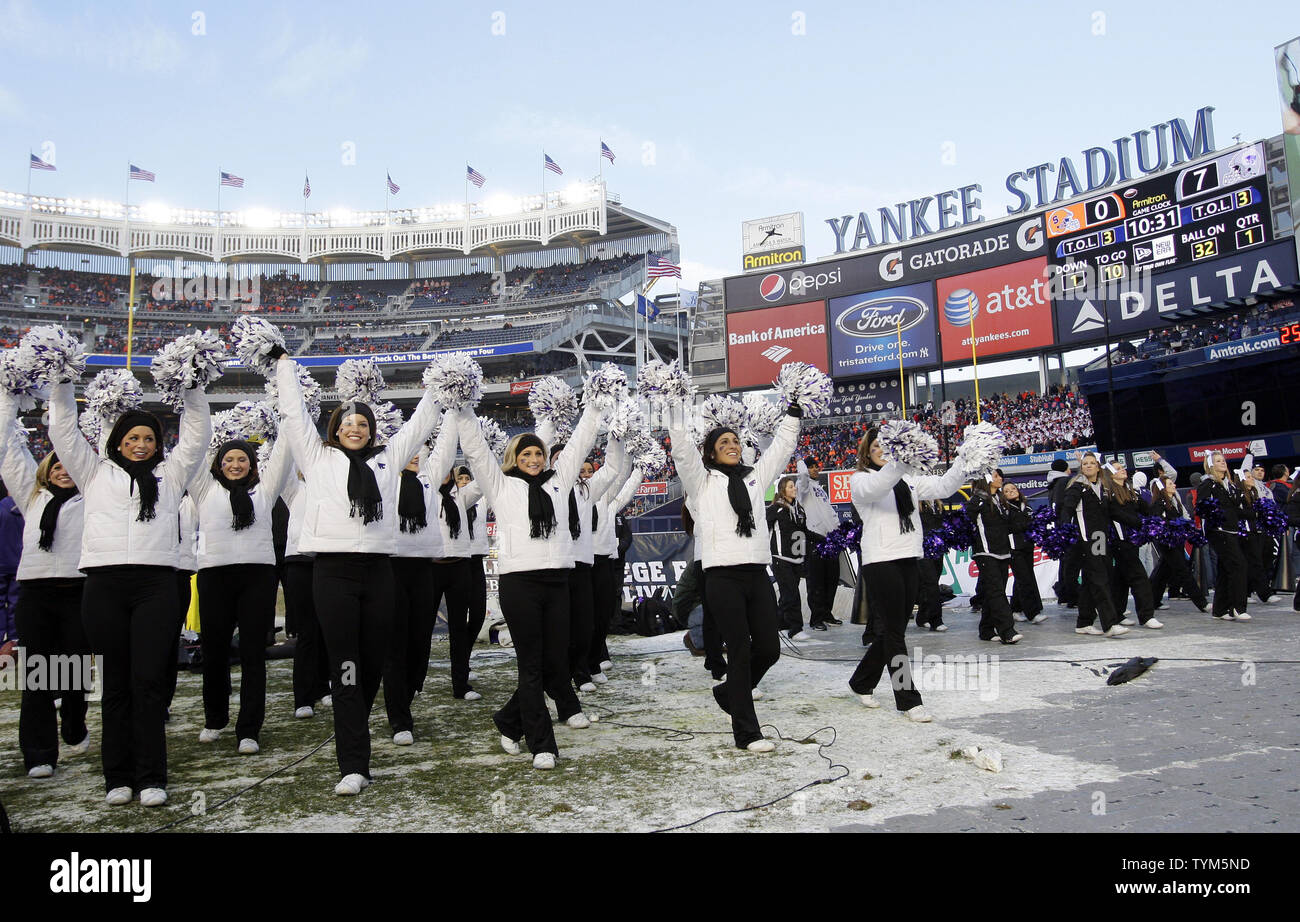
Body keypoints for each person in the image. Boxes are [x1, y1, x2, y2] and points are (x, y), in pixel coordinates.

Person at [274, 354, 442, 795]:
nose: (355, 429)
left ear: (372, 430)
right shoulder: (316, 457)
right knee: (345, 664)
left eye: (363, 424)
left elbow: (421, 424)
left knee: (369, 663)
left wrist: (441, 382)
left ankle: (353, 724)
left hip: (379, 572)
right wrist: (284, 366)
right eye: (347, 423)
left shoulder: (388, 460)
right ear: (335, 428)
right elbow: (294, 413)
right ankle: (353, 761)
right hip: (333, 573)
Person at [48, 368, 212, 807]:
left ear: (159, 444)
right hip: (104, 584)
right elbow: (62, 429)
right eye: (132, 437)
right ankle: (117, 777)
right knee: (116, 684)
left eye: (149, 438)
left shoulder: (172, 475)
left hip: (155, 584)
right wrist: (62, 380)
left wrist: (193, 386)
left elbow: (198, 434)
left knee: (149, 683)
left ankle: (152, 776)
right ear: (117, 441)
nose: (141, 445)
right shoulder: (92, 471)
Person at [454, 396, 602, 770]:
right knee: (531, 665)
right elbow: (474, 447)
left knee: (556, 663)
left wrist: (596, 405)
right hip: (520, 584)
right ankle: (542, 745)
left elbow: (583, 440)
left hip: (558, 582)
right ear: (513, 459)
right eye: (526, 455)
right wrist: (462, 408)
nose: (534, 459)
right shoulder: (500, 486)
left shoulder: (560, 481)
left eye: (538, 453)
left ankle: (508, 720)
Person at [668, 400, 800, 752]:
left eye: (735, 441)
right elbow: (681, 450)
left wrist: (793, 412)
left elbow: (783, 448)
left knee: (769, 648)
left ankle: (729, 692)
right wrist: (672, 407)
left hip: (757, 572)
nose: (732, 446)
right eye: (723, 442)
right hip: (722, 576)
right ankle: (747, 732)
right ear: (711, 452)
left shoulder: (755, 476)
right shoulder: (701, 481)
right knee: (739, 650)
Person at [0, 393, 90, 779]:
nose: (64, 471)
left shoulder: (92, 499)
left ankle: (73, 719)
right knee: (37, 675)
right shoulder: (30, 497)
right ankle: (39, 753)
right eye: (56, 467)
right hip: (36, 594)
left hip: (77, 591)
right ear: (45, 471)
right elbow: (7, 453)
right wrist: (7, 399)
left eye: (69, 466)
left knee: (72, 671)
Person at [847, 429, 967, 717]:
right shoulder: (861, 480)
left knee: (894, 630)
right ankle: (909, 700)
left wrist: (965, 460)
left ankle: (861, 681)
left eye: (886, 446)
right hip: (880, 561)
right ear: (867, 452)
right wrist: (899, 461)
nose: (882, 450)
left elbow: (942, 486)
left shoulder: (908, 479)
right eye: (876, 446)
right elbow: (878, 487)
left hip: (909, 557)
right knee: (893, 632)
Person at [190, 436, 292, 754]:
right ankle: (215, 718)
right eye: (229, 460)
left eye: (242, 460)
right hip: (214, 577)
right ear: (219, 465)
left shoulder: (264, 489)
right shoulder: (204, 489)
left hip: (257, 577)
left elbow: (284, 454)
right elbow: (191, 450)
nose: (235, 465)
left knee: (252, 655)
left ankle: (249, 729)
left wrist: (287, 411)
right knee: (215, 652)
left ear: (252, 464)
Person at [1059, 453, 1128, 637]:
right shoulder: (1078, 487)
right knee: (1100, 579)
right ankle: (1110, 624)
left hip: (1100, 538)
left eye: (1092, 463)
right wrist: (1064, 532)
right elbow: (1067, 509)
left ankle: (1084, 622)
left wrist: (1138, 522)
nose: (1088, 466)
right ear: (1081, 468)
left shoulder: (1103, 487)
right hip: (1086, 539)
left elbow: (1113, 512)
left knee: (1093, 579)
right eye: (1085, 464)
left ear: (1098, 467)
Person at [282, 473, 329, 719]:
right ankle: (303, 697)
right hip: (299, 562)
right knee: (307, 633)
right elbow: (285, 458)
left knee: (328, 629)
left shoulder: (334, 482)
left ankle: (324, 685)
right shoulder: (294, 487)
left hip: (330, 560)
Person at [966, 475, 1022, 644]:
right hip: (986, 552)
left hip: (1003, 551)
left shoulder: (999, 499)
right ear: (987, 479)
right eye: (997, 476)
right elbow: (966, 521)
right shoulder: (977, 500)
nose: (1001, 479)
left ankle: (986, 630)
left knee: (994, 591)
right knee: (997, 592)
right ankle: (1007, 631)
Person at [1104, 465, 1160, 629]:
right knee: (1139, 577)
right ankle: (1146, 615)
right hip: (1120, 542)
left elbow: (1146, 508)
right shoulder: (1109, 494)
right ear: (1110, 474)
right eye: (1118, 468)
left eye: (1122, 467)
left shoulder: (1130, 491)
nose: (1122, 470)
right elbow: (1116, 514)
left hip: (1132, 541)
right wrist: (1139, 523)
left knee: (1121, 579)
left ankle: (1117, 613)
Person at [1198, 452, 1251, 621]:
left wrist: (1256, 514)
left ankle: (1220, 609)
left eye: (1223, 460)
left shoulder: (1230, 485)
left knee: (1225, 568)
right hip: (1219, 531)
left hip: (1232, 530)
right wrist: (1217, 517)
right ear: (1211, 465)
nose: (1223, 463)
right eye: (1218, 461)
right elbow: (1202, 506)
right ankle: (1237, 607)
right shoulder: (1208, 484)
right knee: (1238, 565)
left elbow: (1235, 510)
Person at [1148, 475, 1209, 612]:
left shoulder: (1174, 500)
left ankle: (1153, 600)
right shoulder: (1158, 503)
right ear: (1163, 488)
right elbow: (1158, 523)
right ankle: (1201, 602)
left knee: (1163, 571)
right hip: (1167, 542)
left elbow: (1182, 517)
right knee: (1183, 570)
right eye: (1170, 484)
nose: (1174, 485)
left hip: (1177, 540)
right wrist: (1173, 527)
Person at [797, 456, 842, 630]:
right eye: (812, 467)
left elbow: (830, 512)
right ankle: (816, 619)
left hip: (830, 540)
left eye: (817, 466)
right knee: (815, 582)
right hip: (814, 539)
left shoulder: (821, 489)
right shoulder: (803, 487)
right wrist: (801, 464)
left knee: (831, 580)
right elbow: (802, 479)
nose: (816, 469)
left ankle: (826, 613)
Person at [768, 475, 809, 640]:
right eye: (791, 486)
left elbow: (804, 532)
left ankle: (781, 625)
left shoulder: (799, 509)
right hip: (781, 559)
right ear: (782, 490)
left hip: (796, 560)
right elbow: (763, 530)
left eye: (794, 486)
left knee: (787, 594)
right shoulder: (775, 509)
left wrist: (824, 539)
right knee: (791, 594)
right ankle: (795, 629)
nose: (794, 489)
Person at [1001, 482, 1044, 624]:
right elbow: (1010, 527)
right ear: (1003, 495)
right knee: (1024, 579)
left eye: (1013, 488)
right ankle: (1032, 613)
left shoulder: (1027, 505)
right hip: (1014, 548)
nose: (1011, 492)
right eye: (1007, 491)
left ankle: (1015, 609)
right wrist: (1026, 525)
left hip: (1028, 546)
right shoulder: (1005, 509)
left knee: (1025, 577)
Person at [1047, 459, 1081, 607]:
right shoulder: (1064, 482)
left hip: (1059, 528)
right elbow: (1065, 507)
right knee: (1071, 564)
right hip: (1067, 528)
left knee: (1065, 564)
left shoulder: (1053, 484)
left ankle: (1064, 595)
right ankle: (1072, 596)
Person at [915, 499, 946, 631]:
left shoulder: (938, 505)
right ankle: (936, 620)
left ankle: (922, 616)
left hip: (937, 548)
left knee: (931, 582)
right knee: (931, 583)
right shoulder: (917, 505)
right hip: (922, 548)